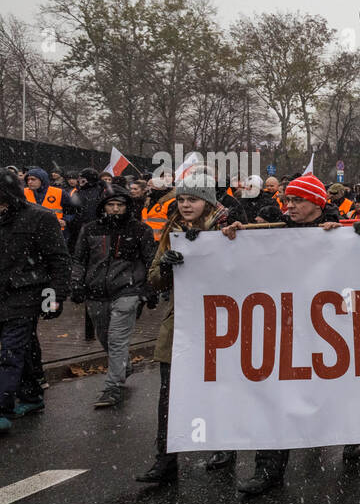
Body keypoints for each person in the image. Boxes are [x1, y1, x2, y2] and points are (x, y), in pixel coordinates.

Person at [218, 173, 358, 496]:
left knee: (336, 391)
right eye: (288, 199)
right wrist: (238, 234)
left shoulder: (337, 233)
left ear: (317, 204)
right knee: (276, 396)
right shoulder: (276, 231)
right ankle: (268, 470)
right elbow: (251, 251)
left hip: (328, 331)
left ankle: (353, 436)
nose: (290, 206)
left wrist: (338, 235)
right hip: (287, 327)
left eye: (298, 201)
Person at [135, 176, 227, 484]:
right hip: (180, 324)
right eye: (182, 200)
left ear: (209, 204)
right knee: (169, 395)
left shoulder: (228, 231)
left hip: (220, 324)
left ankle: (223, 445)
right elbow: (154, 279)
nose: (185, 205)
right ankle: (166, 459)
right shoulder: (170, 232)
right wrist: (165, 267)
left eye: (193, 200)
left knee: (217, 389)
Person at [69, 185, 156, 408]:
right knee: (104, 336)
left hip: (128, 290)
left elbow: (150, 261)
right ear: (103, 206)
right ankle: (123, 366)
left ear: (127, 207)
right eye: (111, 204)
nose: (115, 209)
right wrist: (76, 284)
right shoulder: (90, 230)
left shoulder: (140, 230)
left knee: (117, 339)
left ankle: (112, 387)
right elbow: (79, 259)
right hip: (96, 292)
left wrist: (150, 288)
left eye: (120, 205)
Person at [0, 170, 68, 433]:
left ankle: (3, 408)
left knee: (10, 352)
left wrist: (55, 297)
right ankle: (31, 395)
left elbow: (59, 260)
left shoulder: (40, 218)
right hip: (8, 293)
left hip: (24, 296)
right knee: (22, 348)